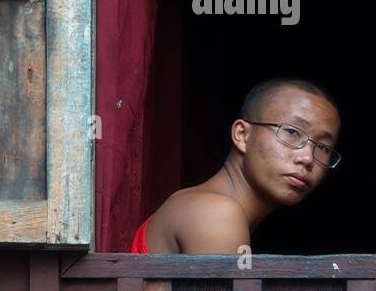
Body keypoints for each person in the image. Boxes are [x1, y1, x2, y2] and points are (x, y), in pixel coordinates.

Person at [130, 78, 341, 255]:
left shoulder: (217, 210)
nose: (307, 158)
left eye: (322, 146)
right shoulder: (216, 214)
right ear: (242, 135)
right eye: (292, 132)